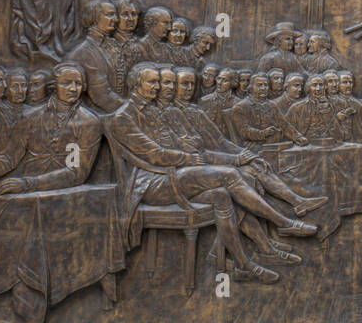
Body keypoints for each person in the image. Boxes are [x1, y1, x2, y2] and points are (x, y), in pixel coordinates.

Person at [105, 63, 316, 285]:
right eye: (152, 82)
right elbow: (155, 155)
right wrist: (187, 156)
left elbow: (190, 148)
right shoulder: (124, 117)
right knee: (230, 175)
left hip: (176, 176)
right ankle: (282, 222)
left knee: (222, 195)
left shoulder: (154, 112)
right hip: (152, 184)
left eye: (159, 82)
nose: (157, 87)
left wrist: (198, 152)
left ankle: (244, 263)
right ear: (136, 84)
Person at [0, 61, 103, 195]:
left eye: (78, 84)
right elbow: (10, 156)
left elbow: (77, 172)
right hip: (25, 193)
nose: (73, 89)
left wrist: (28, 184)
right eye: (66, 83)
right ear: (54, 86)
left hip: (65, 195)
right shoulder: (30, 117)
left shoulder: (89, 122)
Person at [67, 0, 128, 112]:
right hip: (100, 117)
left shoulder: (112, 46)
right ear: (94, 18)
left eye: (115, 15)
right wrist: (133, 110)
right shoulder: (84, 53)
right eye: (109, 15)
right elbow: (102, 97)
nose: (115, 19)